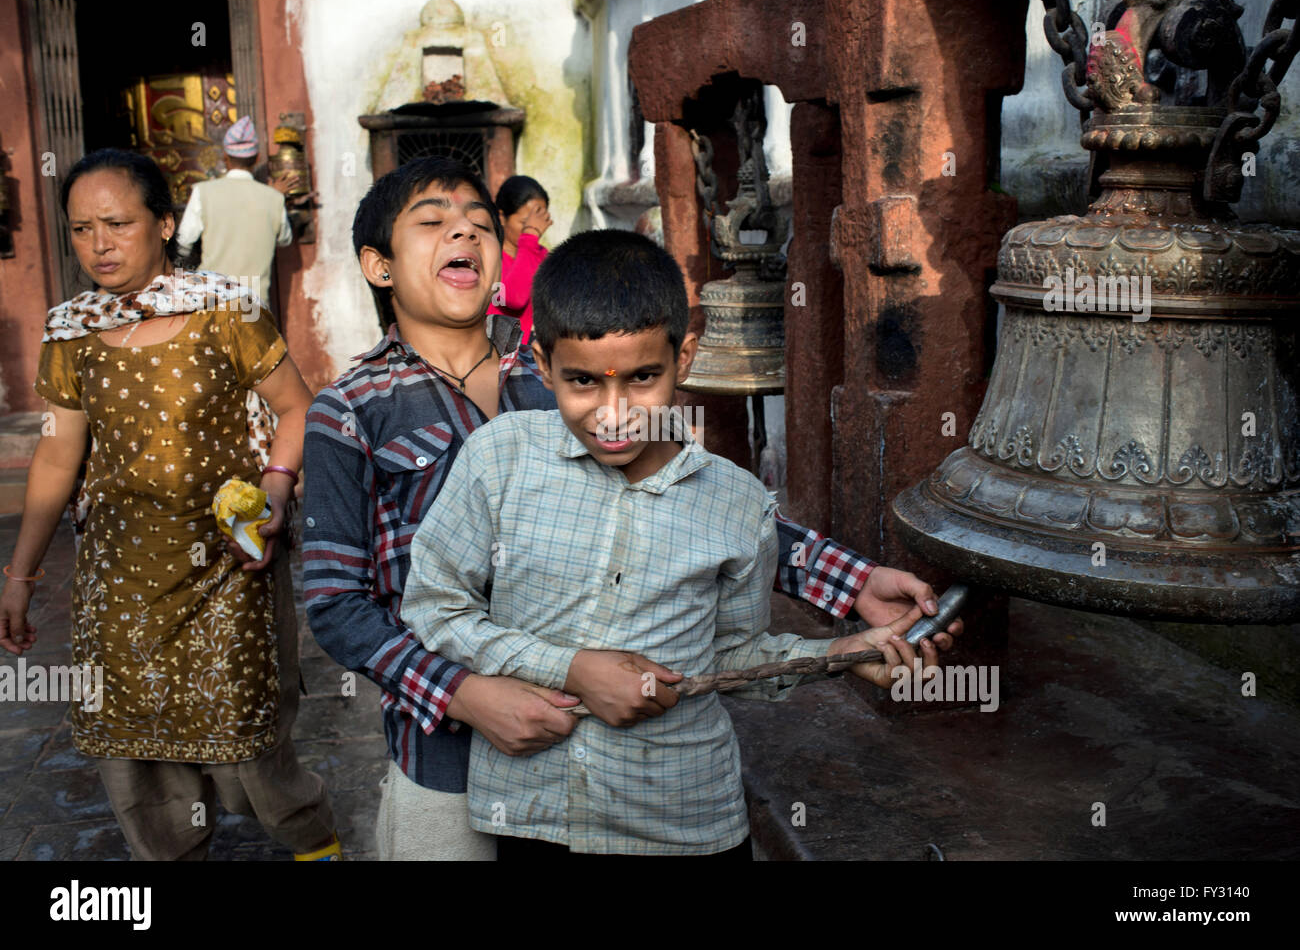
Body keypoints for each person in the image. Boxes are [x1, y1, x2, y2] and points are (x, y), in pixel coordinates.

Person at [302, 156, 960, 860]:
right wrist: (465, 693)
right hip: (445, 747)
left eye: (478, 222)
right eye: (432, 222)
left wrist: (851, 582)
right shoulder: (351, 409)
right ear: (379, 266)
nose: (462, 232)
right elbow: (339, 603)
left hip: (605, 760)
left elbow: (687, 499)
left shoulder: (572, 372)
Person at [0, 148, 339, 861]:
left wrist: (277, 486)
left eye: (118, 223)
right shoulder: (70, 331)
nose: (100, 243)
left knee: (249, 749)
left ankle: (314, 844)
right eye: (82, 227)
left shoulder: (226, 309)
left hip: (226, 570)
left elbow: (295, 408)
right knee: (138, 761)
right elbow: (60, 454)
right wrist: (20, 575)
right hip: (118, 585)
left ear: (164, 223)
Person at [174, 116, 293, 308]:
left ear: (225, 158)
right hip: (253, 303)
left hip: (214, 300)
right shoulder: (274, 199)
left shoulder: (203, 192)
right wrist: (273, 196)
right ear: (256, 158)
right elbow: (284, 239)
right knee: (252, 337)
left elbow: (183, 243)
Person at [489, 174, 551, 344]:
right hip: (500, 357)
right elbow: (513, 298)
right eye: (524, 222)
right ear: (502, 217)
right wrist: (529, 238)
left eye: (536, 223)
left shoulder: (540, 254)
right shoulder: (488, 257)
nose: (533, 229)